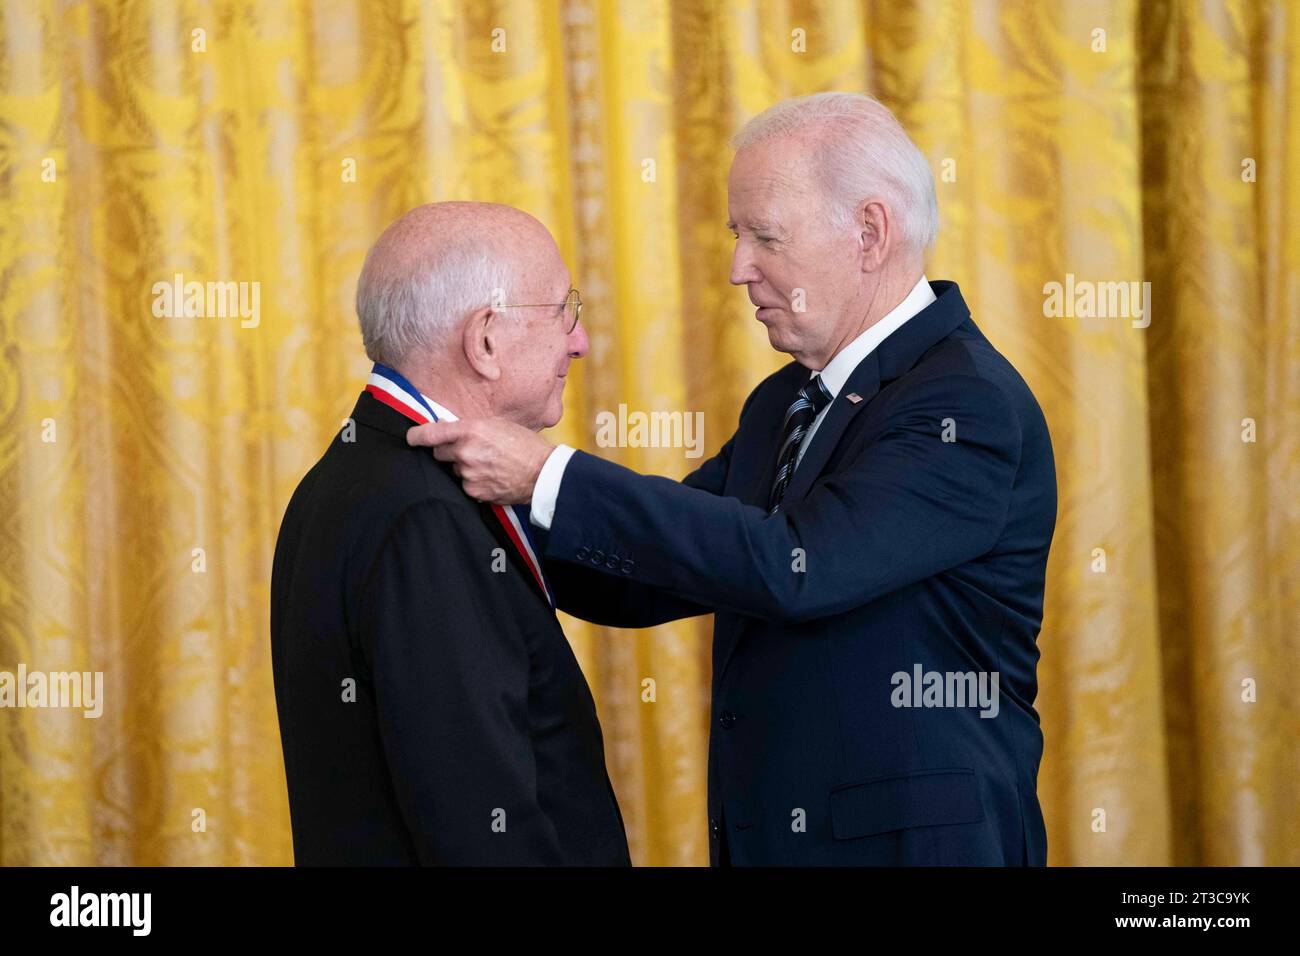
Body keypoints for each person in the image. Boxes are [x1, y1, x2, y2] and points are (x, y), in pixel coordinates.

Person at [409, 93, 1058, 866]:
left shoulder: (964, 403)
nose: (736, 268)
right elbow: (657, 574)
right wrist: (458, 514)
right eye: (735, 234)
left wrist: (546, 475)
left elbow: (796, 565)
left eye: (766, 237)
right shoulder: (786, 398)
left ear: (870, 234)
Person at [270, 201, 629, 865]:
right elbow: (479, 825)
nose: (578, 341)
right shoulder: (422, 516)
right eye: (562, 312)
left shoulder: (350, 477)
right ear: (485, 340)